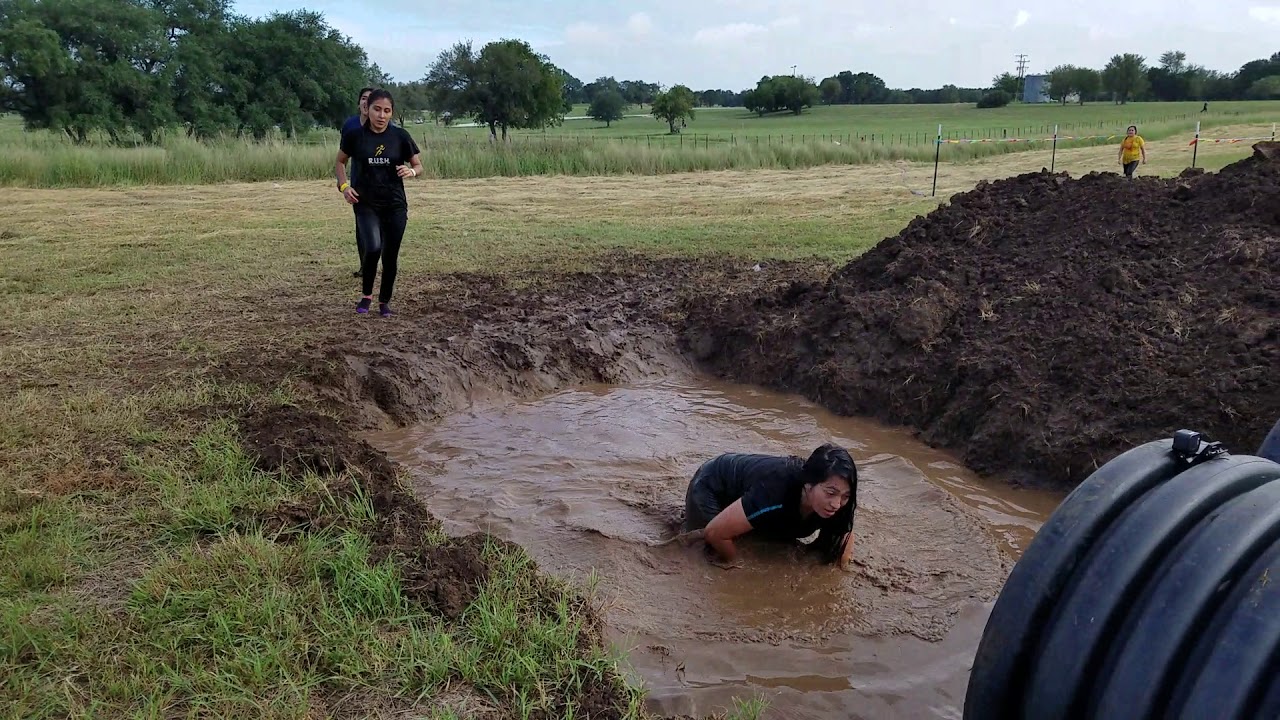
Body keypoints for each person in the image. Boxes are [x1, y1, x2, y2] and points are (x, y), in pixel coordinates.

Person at [676, 443, 858, 570]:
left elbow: (841, 544)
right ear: (808, 484)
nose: (836, 504)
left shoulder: (840, 504)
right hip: (713, 485)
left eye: (845, 496)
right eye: (830, 493)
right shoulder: (775, 493)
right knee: (703, 551)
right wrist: (737, 565)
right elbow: (715, 533)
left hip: (758, 494)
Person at [335, 88, 423, 317]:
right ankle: (366, 296)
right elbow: (340, 163)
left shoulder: (400, 137)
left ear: (391, 113)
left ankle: (385, 302)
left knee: (390, 255)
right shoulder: (355, 135)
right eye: (377, 109)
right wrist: (344, 187)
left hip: (394, 204)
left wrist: (411, 171)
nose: (381, 115)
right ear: (367, 109)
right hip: (366, 203)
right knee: (373, 247)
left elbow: (418, 166)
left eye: (387, 111)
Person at [342, 87, 374, 277]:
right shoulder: (350, 126)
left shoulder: (388, 127)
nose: (366, 102)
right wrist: (345, 185)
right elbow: (342, 158)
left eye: (370, 99)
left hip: (383, 187)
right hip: (358, 185)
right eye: (363, 98)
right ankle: (365, 266)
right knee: (362, 227)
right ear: (359, 103)